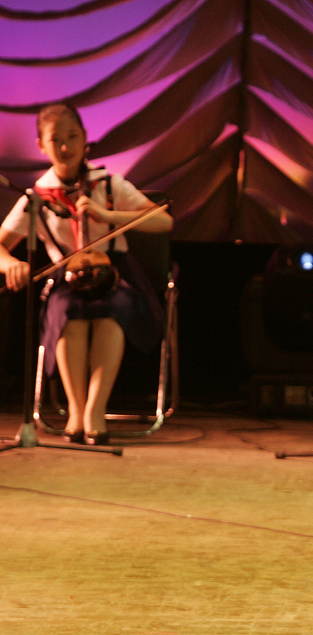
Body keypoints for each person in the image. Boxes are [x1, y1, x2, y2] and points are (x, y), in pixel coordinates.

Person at [0, 102, 172, 445]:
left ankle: (95, 410)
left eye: (72, 136)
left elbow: (163, 220)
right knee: (67, 312)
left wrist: (108, 216)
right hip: (67, 276)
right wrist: (10, 264)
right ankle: (76, 411)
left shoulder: (109, 184)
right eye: (56, 139)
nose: (66, 147)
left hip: (115, 272)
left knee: (112, 310)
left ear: (85, 138)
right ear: (41, 145)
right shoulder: (37, 197)